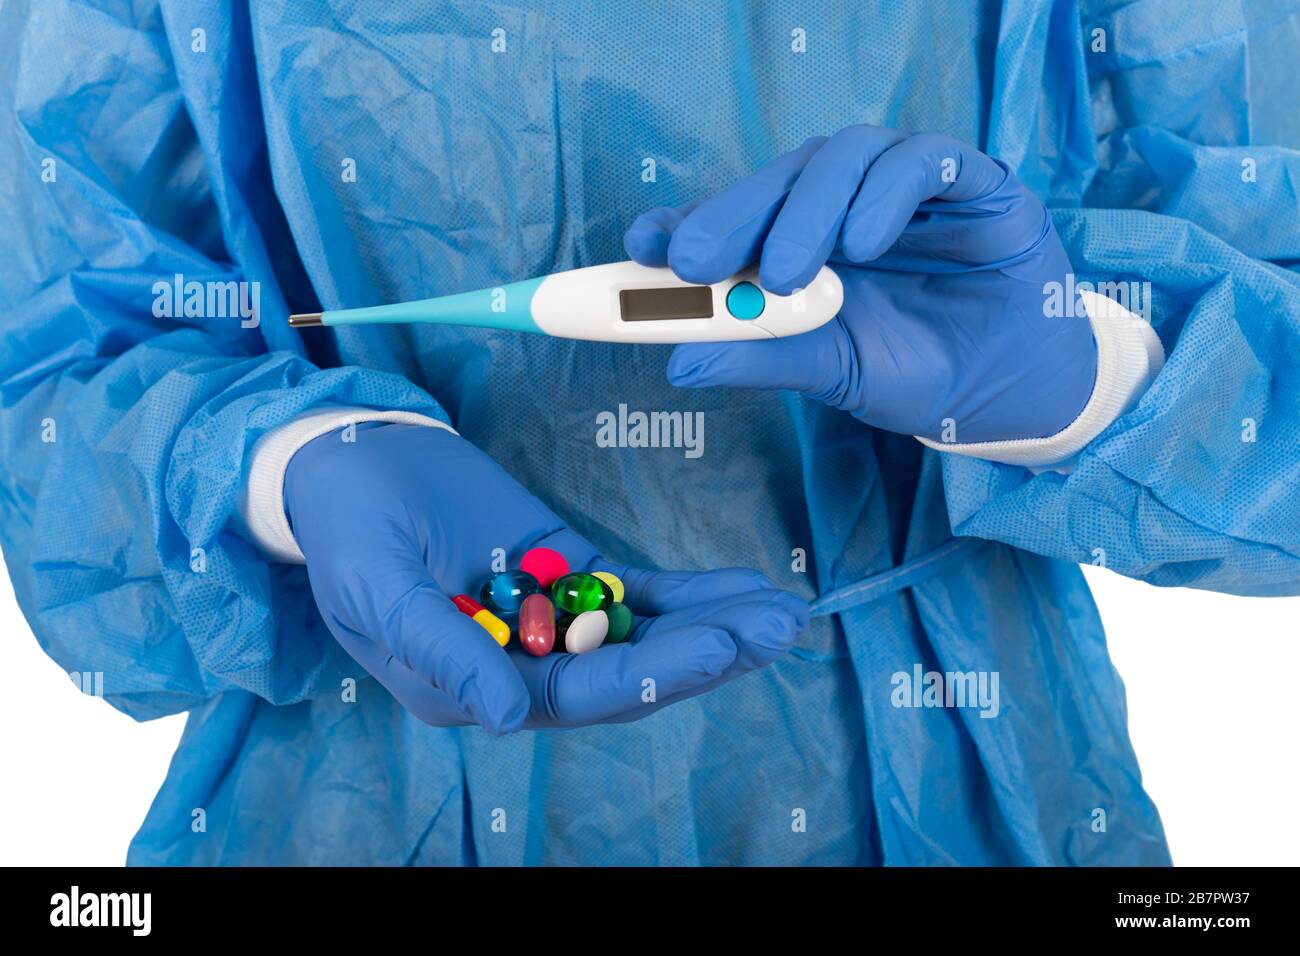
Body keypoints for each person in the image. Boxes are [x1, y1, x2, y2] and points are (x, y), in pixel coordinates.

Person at [1, 1, 1296, 866]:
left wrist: (1094, 366)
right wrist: (287, 474)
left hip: (971, 771)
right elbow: (55, 369)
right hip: (351, 795)